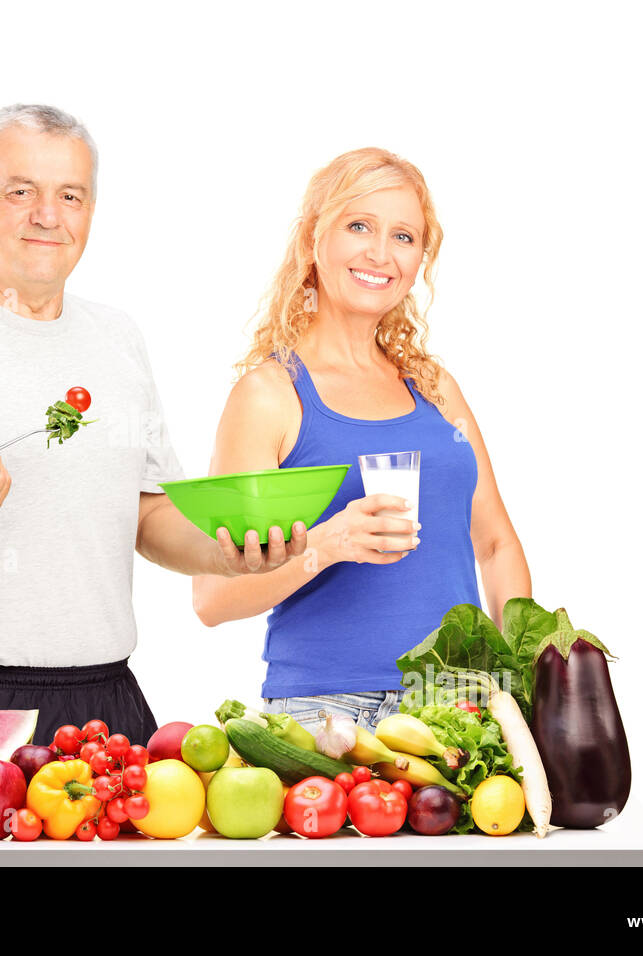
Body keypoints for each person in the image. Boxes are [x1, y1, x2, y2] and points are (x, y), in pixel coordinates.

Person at [0, 104, 301, 747]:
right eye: (21, 191)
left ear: (90, 210)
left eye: (70, 194)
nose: (48, 214)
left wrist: (231, 554)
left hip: (111, 699)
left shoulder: (118, 337)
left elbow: (149, 515)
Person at [192, 147, 531, 739]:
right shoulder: (271, 396)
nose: (380, 253)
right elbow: (213, 596)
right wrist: (328, 542)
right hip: (326, 714)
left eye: (403, 236)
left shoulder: (434, 389)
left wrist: (521, 681)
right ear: (312, 239)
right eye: (358, 226)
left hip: (458, 707)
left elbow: (497, 544)